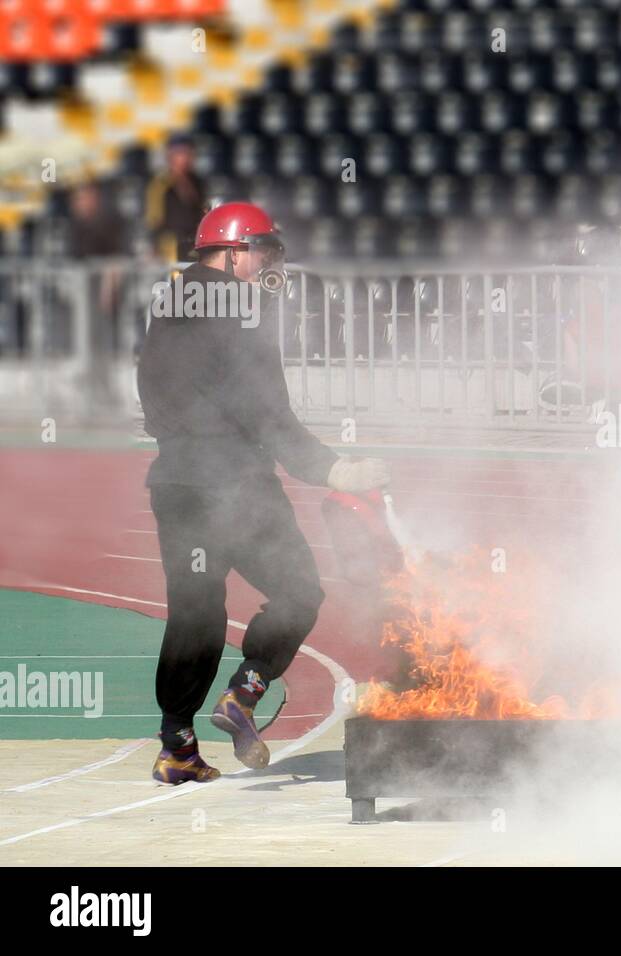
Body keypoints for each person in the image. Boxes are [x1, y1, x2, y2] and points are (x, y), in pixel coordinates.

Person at [137, 201, 390, 784]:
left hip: (176, 482)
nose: (269, 264)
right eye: (262, 251)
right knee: (299, 590)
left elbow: (158, 394)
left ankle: (176, 744)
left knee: (195, 613)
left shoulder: (168, 303)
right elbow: (272, 416)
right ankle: (245, 691)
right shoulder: (246, 311)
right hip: (240, 485)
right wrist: (333, 470)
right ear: (230, 250)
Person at [146, 134, 207, 262]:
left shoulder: (197, 182)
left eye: (188, 153)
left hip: (194, 243)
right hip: (170, 246)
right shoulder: (160, 184)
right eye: (180, 153)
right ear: (170, 156)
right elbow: (154, 220)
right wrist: (154, 248)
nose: (185, 158)